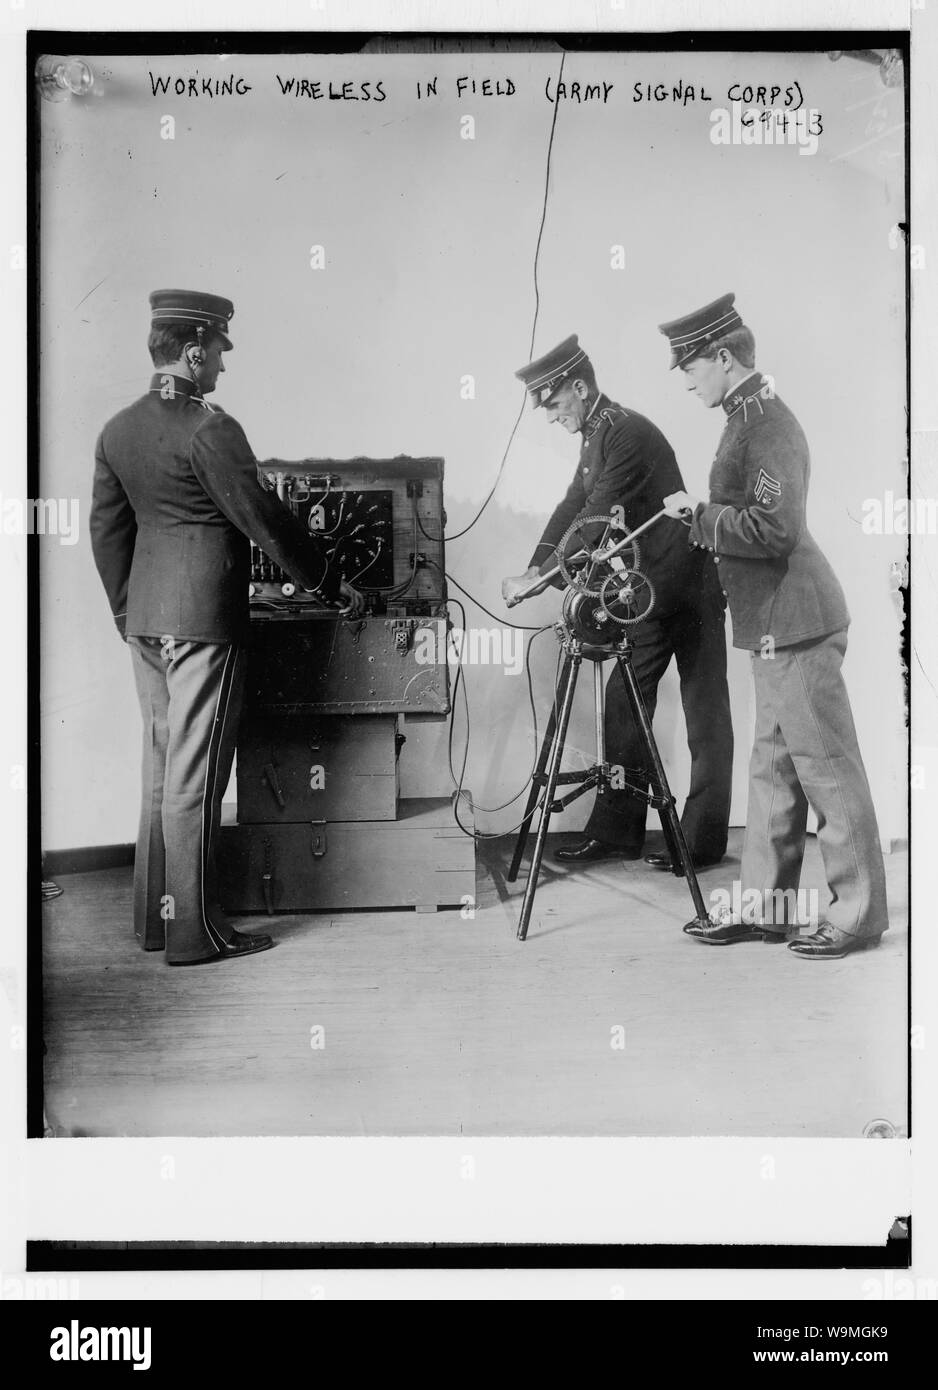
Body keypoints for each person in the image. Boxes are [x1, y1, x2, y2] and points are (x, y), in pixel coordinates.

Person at [90, 288, 364, 966]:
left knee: (161, 771)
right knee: (197, 777)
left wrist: (128, 612)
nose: (222, 364)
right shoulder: (211, 428)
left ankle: (157, 924)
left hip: (147, 623)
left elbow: (106, 530)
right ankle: (197, 934)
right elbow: (262, 519)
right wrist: (330, 584)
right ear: (192, 351)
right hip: (205, 622)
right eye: (218, 351)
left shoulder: (118, 428)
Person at [659, 293, 888, 959]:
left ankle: (859, 912)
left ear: (724, 358)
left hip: (799, 623)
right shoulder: (744, 418)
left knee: (825, 767)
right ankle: (766, 907)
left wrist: (698, 517)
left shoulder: (767, 426)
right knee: (773, 768)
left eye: (692, 367)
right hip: (773, 627)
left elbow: (775, 529)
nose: (687, 379)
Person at [501, 334, 733, 869]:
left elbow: (599, 516)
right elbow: (573, 505)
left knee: (705, 714)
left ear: (579, 389)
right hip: (650, 591)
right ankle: (618, 833)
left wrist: (543, 580)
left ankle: (702, 841)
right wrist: (535, 566)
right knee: (626, 702)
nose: (552, 416)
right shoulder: (598, 432)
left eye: (555, 404)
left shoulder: (625, 432)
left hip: (689, 587)